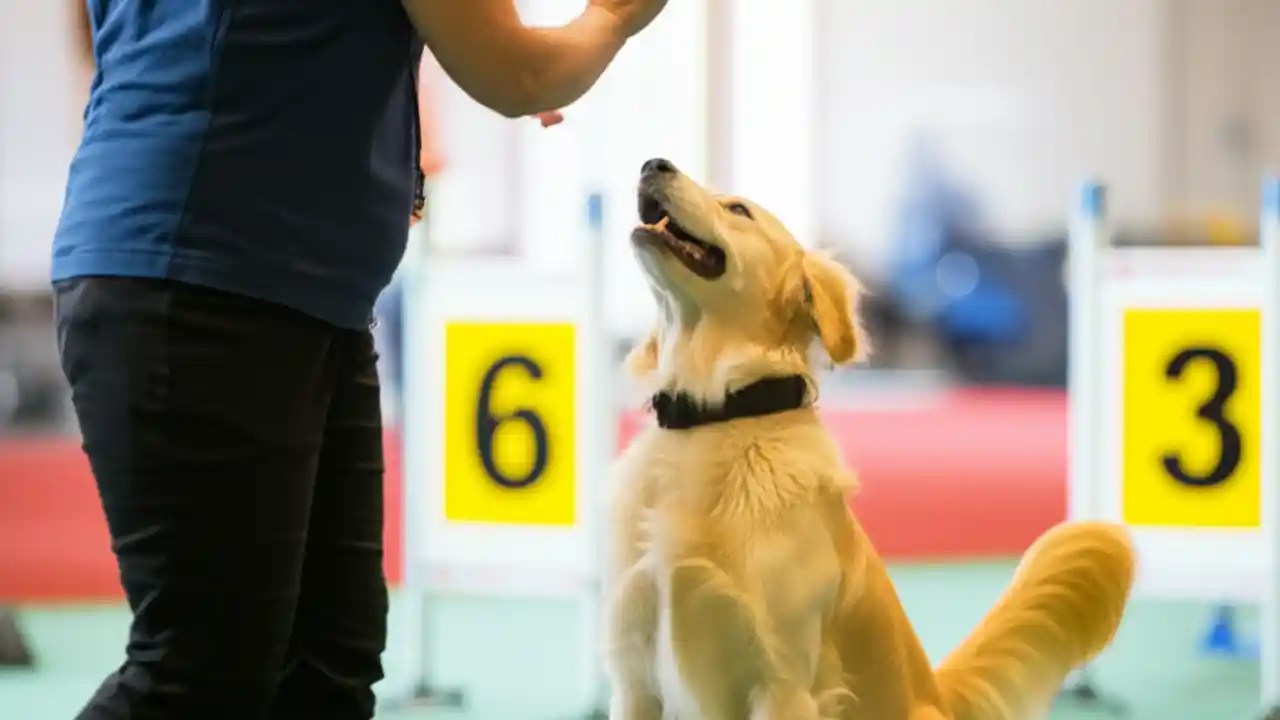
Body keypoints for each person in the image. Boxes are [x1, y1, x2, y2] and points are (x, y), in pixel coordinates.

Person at [52, 1, 668, 718]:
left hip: (283, 289)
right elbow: (521, 73)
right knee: (199, 675)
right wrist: (615, 17)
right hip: (209, 276)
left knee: (325, 667)